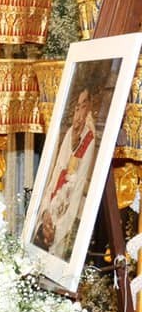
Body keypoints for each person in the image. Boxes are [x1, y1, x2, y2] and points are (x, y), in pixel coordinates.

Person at [34, 88, 96, 260]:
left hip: (68, 214)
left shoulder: (89, 139)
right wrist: (46, 210)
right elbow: (56, 174)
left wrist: (56, 229)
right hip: (52, 205)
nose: (79, 111)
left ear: (90, 108)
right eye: (77, 107)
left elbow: (76, 191)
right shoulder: (70, 133)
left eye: (83, 106)